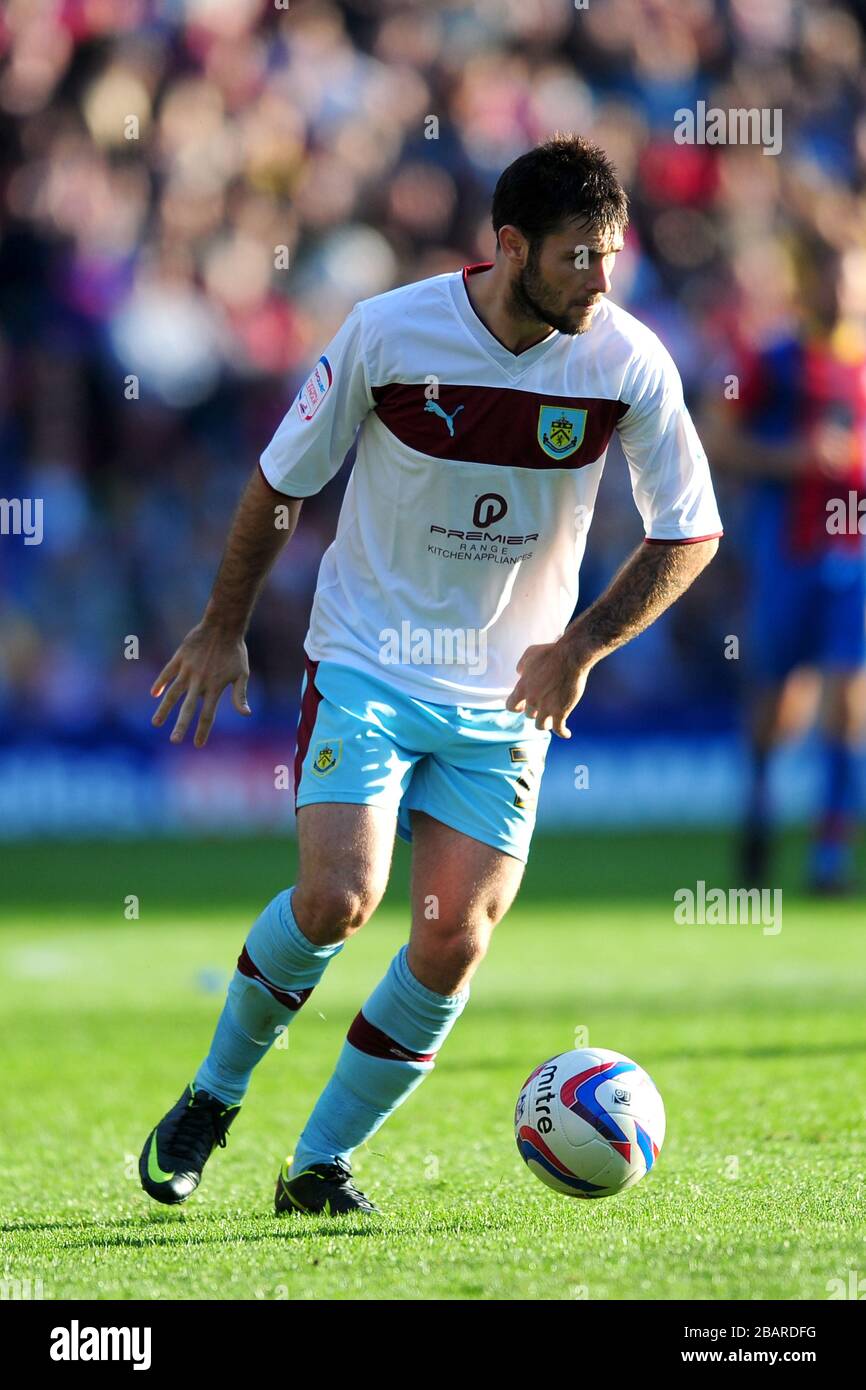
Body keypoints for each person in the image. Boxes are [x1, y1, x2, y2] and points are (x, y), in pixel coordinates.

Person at [138, 134, 721, 1216]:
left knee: (452, 937)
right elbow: (279, 484)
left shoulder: (625, 360)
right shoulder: (388, 331)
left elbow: (688, 531)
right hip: (369, 659)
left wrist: (579, 646)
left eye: (611, 255)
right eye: (575, 258)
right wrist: (223, 626)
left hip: (508, 694)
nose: (600, 280)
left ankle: (317, 1167)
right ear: (509, 248)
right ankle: (212, 1097)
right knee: (335, 899)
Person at [706, 242, 866, 892]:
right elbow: (716, 439)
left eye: (853, 282)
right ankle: (760, 815)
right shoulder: (771, 361)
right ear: (811, 285)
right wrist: (795, 459)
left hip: (854, 556)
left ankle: (830, 850)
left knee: (850, 696)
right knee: (780, 698)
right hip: (786, 553)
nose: (844, 295)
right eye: (833, 281)